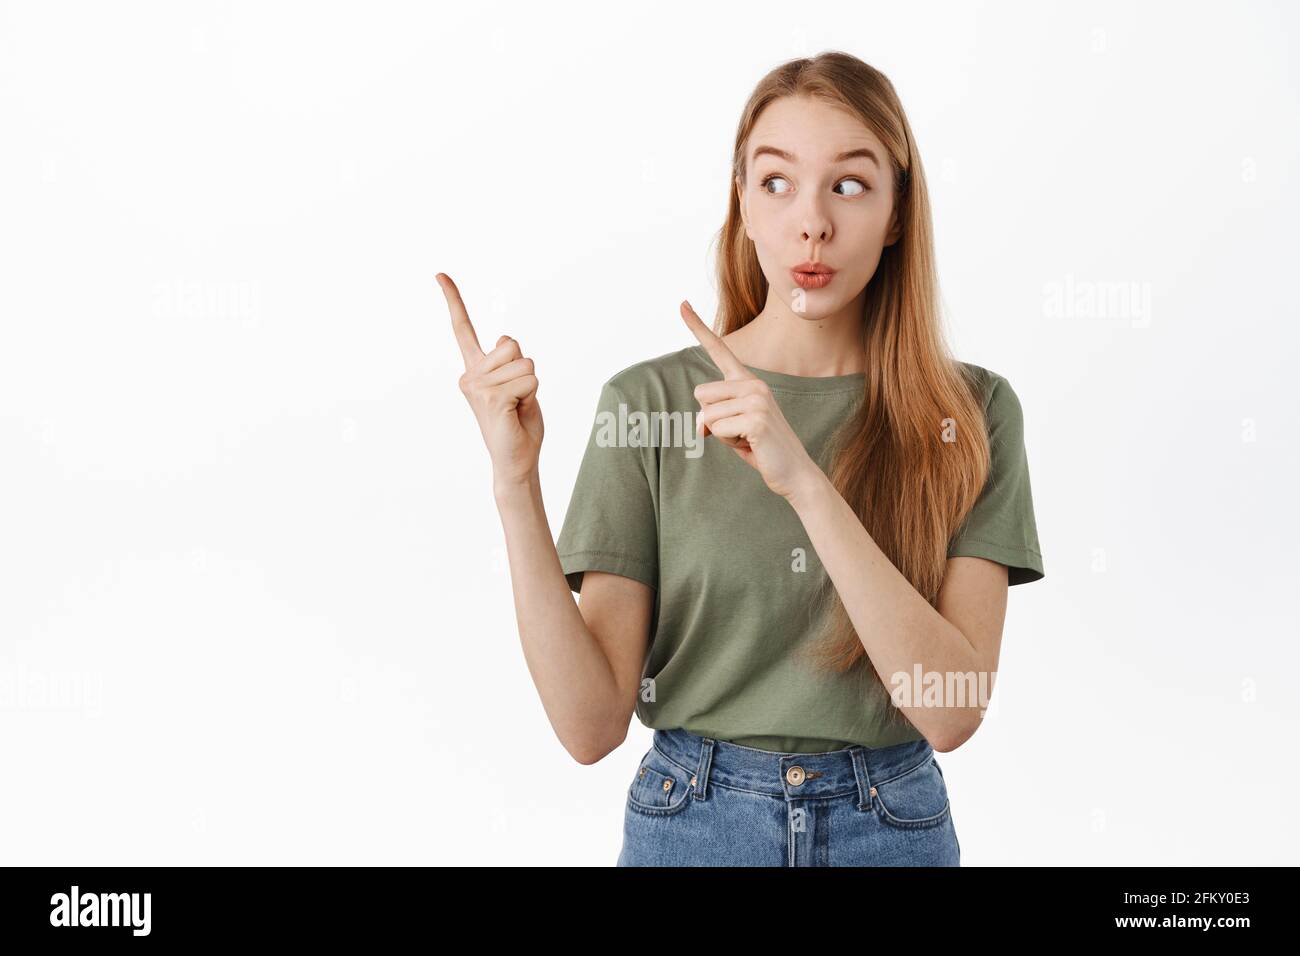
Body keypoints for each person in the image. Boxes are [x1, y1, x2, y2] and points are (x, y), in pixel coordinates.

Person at [439, 51, 1044, 866]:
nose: (813, 223)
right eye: (777, 183)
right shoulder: (648, 405)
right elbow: (588, 728)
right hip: (693, 823)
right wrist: (514, 483)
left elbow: (952, 713)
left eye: (852, 184)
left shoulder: (972, 415)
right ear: (744, 206)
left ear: (899, 211)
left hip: (891, 828)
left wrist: (803, 480)